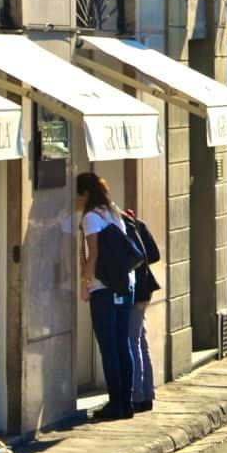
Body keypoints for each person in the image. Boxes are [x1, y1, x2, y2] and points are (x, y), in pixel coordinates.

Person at [77, 172, 144, 420]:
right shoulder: (113, 214)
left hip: (103, 288)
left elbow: (93, 254)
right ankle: (125, 401)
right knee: (122, 342)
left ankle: (116, 402)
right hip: (126, 284)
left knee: (108, 346)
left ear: (84, 194)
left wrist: (85, 283)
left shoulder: (91, 218)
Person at [123, 207, 160, 413]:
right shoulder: (137, 224)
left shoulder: (125, 228)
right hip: (145, 287)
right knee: (140, 340)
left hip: (137, 289)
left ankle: (137, 394)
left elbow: (145, 256)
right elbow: (154, 254)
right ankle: (146, 393)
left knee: (132, 340)